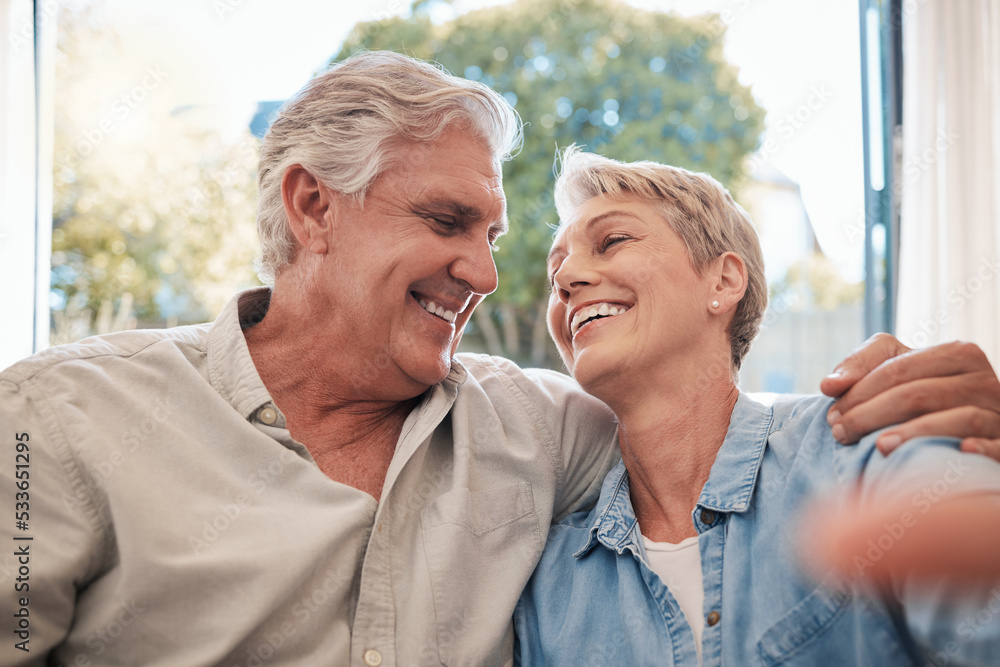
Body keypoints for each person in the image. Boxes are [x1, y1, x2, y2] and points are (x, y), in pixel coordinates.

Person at [0, 52, 997, 666]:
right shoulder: (61, 424)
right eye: (445, 220)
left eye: (499, 234)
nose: (491, 272)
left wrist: (936, 407)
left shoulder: (545, 427)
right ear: (310, 206)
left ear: (722, 278)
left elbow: (714, 428)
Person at [514, 147, 1000, 666]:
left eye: (612, 241)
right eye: (555, 272)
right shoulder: (550, 586)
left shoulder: (865, 444)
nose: (566, 281)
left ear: (722, 282)